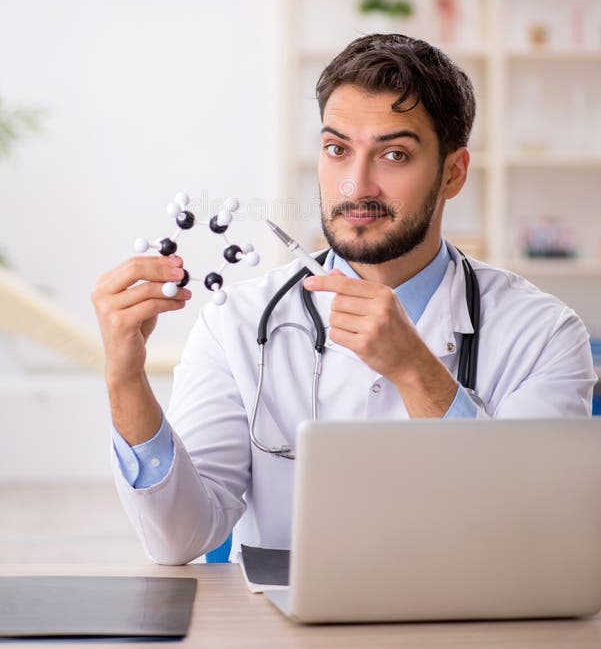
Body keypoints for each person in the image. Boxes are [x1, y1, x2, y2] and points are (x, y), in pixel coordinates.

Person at [92, 33, 596, 565]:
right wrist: (125, 378)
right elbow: (178, 539)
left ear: (453, 173)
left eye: (394, 155)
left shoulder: (545, 335)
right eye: (337, 150)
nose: (356, 186)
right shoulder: (237, 322)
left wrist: (416, 371)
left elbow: (534, 532)